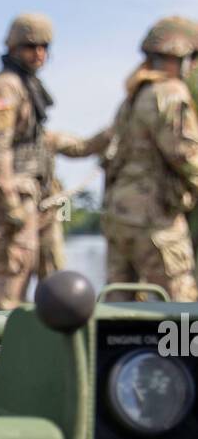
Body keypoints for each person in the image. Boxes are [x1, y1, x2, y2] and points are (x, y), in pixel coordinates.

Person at [50, 16, 198, 302]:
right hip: (156, 221)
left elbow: (97, 144)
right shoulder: (170, 94)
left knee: (119, 308)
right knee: (181, 306)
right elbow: (186, 156)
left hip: (119, 217)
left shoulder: (132, 99)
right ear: (179, 55)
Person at [0, 13, 67, 308]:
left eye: (44, 47)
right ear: (13, 47)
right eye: (30, 46)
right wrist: (10, 204)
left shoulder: (27, 86)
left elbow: (43, 140)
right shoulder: (8, 86)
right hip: (16, 195)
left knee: (53, 274)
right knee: (9, 284)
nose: (39, 53)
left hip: (36, 195)